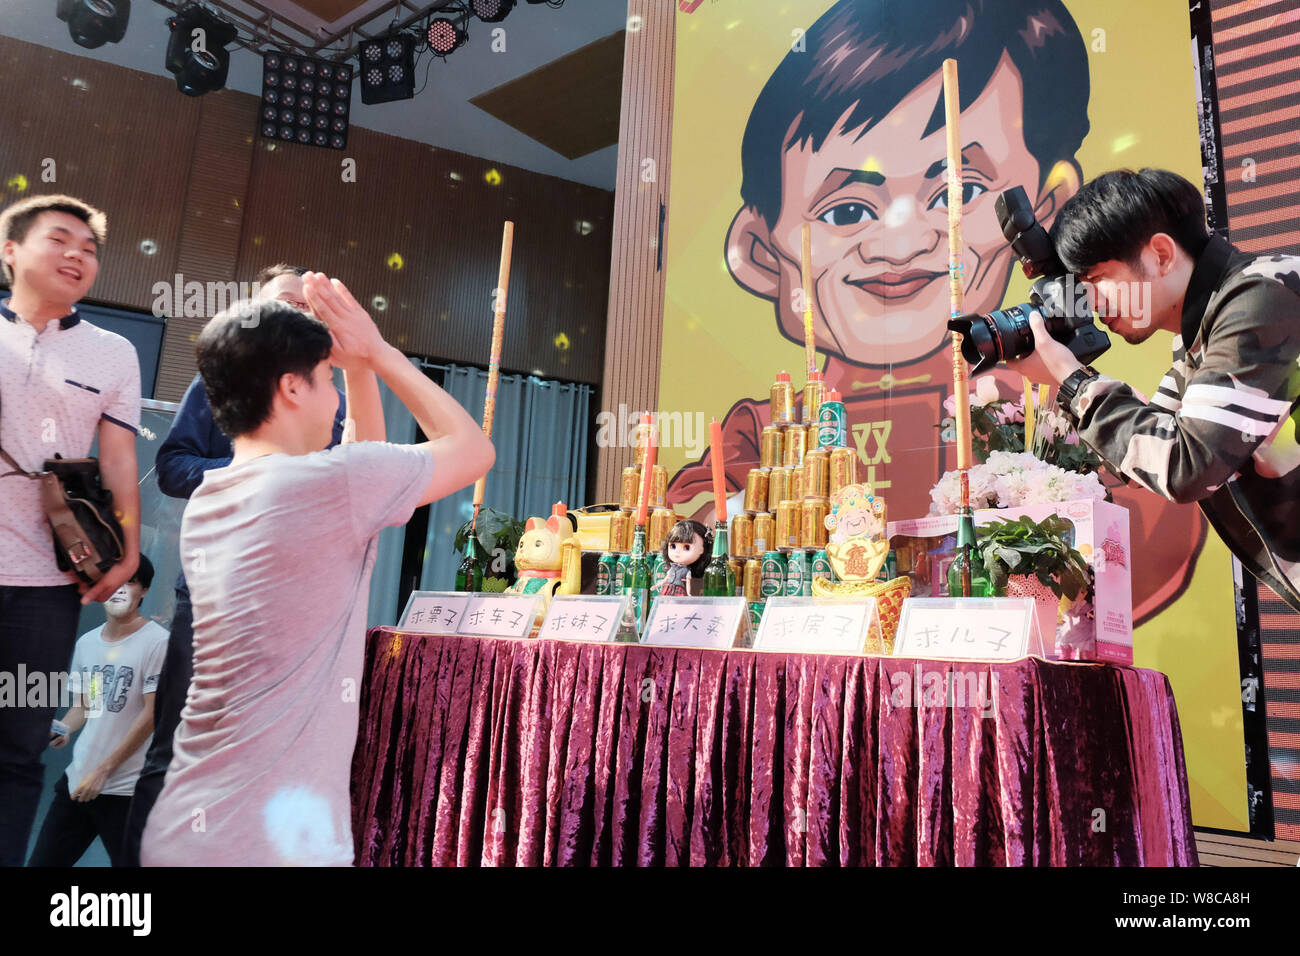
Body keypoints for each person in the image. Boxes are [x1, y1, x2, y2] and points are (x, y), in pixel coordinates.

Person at [664, 0, 1206, 623]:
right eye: (847, 210)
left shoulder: (1045, 388)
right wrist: (733, 517)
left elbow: (1159, 517)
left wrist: (1039, 501)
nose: (901, 241)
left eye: (958, 192)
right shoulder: (781, 425)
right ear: (762, 253)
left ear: (1045, 211)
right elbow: (699, 503)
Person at [140, 274, 493, 866]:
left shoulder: (217, 494)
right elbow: (472, 449)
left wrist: (354, 368)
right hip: (268, 841)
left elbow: (363, 457)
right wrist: (377, 353)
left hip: (189, 827)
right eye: (325, 379)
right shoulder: (328, 486)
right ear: (291, 389)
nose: (335, 398)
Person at [120, 264, 348, 867]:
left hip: (298, 603)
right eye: (281, 304)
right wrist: (253, 476)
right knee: (175, 750)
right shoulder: (221, 381)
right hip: (217, 592)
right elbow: (173, 467)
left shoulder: (334, 398)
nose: (294, 314)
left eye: (305, 307)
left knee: (271, 756)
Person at [1007, 167, 1300, 612]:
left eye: (1096, 279)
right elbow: (1135, 459)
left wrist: (1074, 382)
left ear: (1161, 253)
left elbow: (1187, 465)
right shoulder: (1201, 331)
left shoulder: (1262, 294)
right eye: (1078, 290)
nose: (1091, 304)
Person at [0, 194, 141, 867]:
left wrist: (128, 548)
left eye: (89, 249)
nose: (77, 256)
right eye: (60, 240)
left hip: (45, 585)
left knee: (19, 748)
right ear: (10, 251)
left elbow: (117, 461)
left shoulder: (113, 353)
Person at [26, 556, 166, 867]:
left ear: (143, 590)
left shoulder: (158, 643)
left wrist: (104, 771)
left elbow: (153, 715)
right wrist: (62, 728)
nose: (119, 589)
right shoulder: (87, 644)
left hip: (125, 790)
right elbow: (89, 705)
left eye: (129, 581)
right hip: (78, 783)